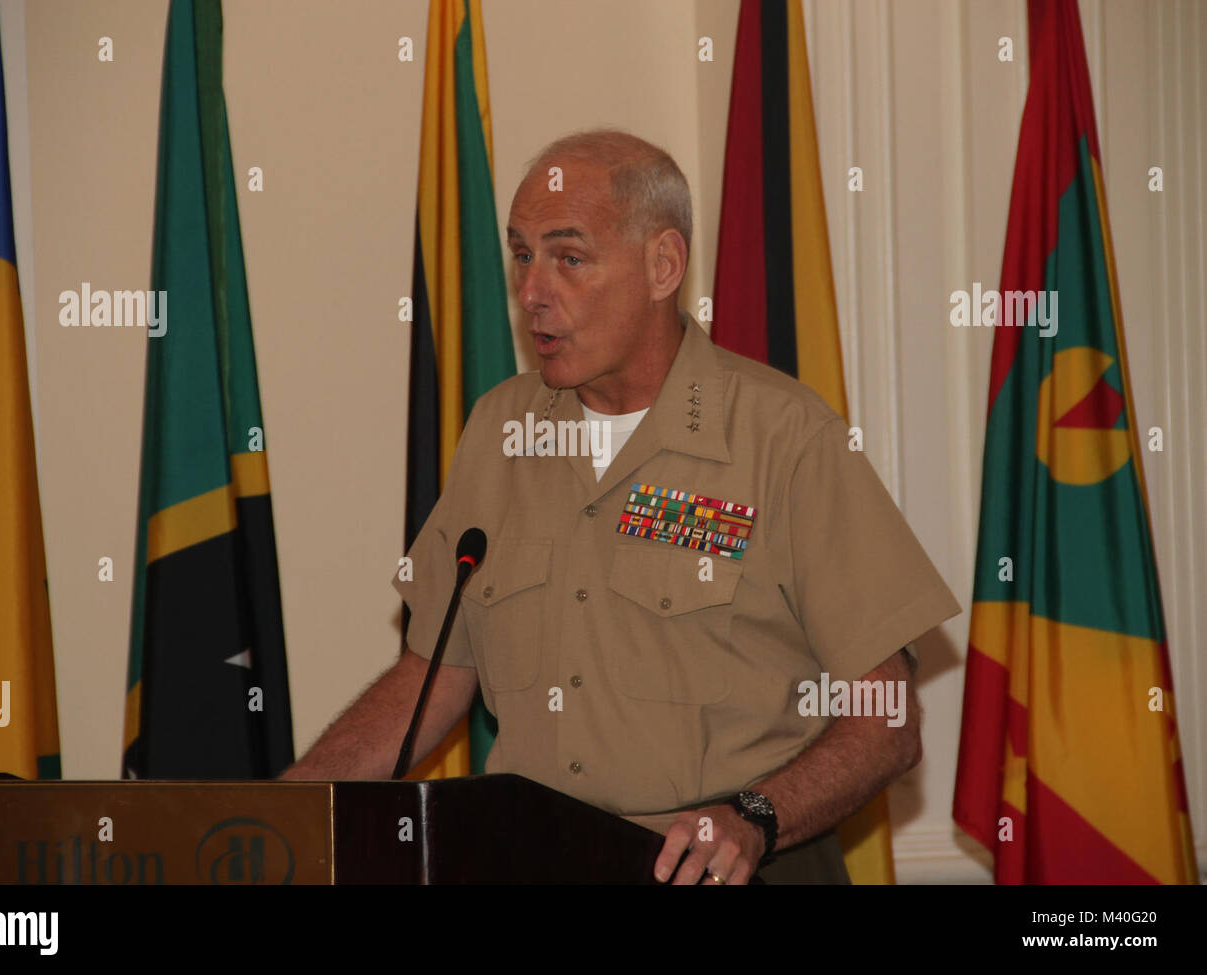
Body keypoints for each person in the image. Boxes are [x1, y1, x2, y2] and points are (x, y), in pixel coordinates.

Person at [282, 129, 961, 885]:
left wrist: (755, 818)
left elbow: (888, 720)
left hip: (726, 868)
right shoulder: (498, 432)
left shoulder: (784, 437)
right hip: (532, 858)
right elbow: (434, 674)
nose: (532, 291)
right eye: (522, 255)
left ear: (663, 265)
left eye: (568, 258)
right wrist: (285, 812)